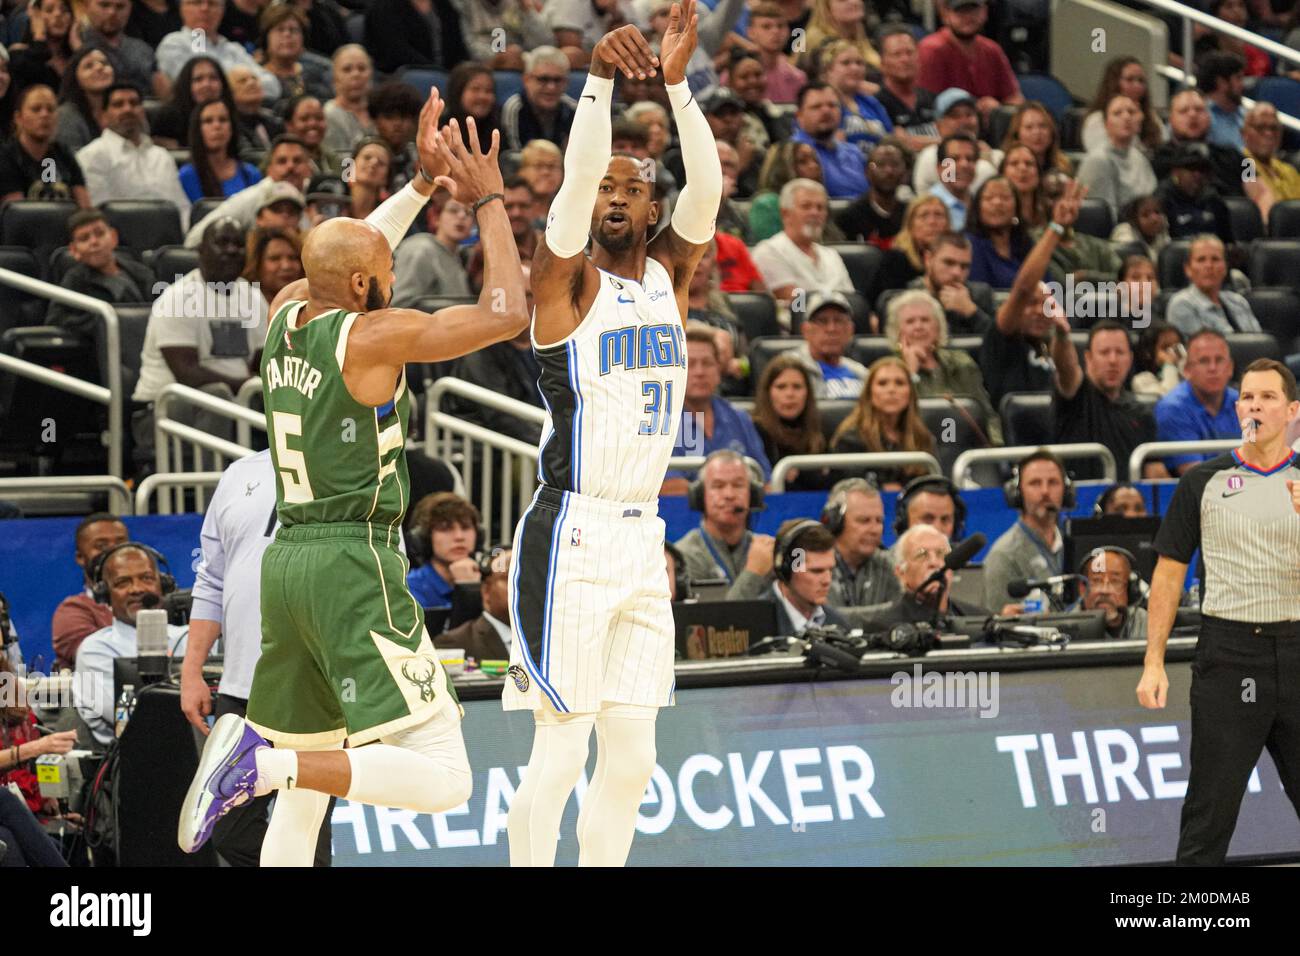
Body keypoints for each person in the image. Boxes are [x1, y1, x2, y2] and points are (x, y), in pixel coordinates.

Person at [176, 85, 527, 861]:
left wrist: (423, 182)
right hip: (352, 562)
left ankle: (275, 765)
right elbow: (506, 313)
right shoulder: (371, 336)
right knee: (446, 777)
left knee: (307, 801)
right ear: (369, 286)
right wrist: (489, 200)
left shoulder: (286, 314)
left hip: (288, 565)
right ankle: (259, 762)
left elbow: (346, 251)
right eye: (384, 271)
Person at [500, 9, 721, 869]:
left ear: (652, 207)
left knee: (632, 759)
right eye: (605, 189)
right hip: (572, 530)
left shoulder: (670, 274)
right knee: (557, 753)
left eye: (632, 188)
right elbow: (578, 173)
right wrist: (596, 81)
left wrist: (676, 85)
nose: (616, 196)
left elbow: (707, 189)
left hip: (642, 538)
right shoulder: (565, 280)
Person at [1137, 358, 1300, 865]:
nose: (1255, 405)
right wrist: (1153, 660)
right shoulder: (1204, 481)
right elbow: (1168, 574)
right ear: (1237, 409)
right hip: (1229, 657)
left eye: (1268, 397)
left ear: (1292, 410)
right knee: (1209, 812)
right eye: (1247, 397)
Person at [177, 450, 333, 867]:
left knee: (305, 831)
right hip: (241, 689)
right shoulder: (238, 473)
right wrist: (191, 671)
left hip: (317, 691)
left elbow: (381, 575)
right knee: (228, 832)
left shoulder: (356, 464)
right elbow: (211, 579)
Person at [978, 180, 1088, 408]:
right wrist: (1056, 227)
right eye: (1031, 305)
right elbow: (1023, 289)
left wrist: (1063, 334)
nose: (1040, 311)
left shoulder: (1057, 344)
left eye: (1046, 304)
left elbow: (1070, 386)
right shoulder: (1000, 339)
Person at [74, 544, 189, 746]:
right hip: (134, 761)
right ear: (105, 593)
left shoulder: (190, 638)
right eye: (122, 582)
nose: (137, 589)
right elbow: (132, 719)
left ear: (163, 584)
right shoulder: (95, 650)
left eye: (146, 578)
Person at [886, 289, 1002, 445]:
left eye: (925, 320)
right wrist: (910, 373)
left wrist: (996, 450)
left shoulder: (961, 362)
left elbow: (986, 414)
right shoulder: (889, 369)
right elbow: (893, 420)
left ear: (938, 328)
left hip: (965, 446)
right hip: (913, 449)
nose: (919, 326)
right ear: (897, 332)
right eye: (910, 321)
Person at [1055, 319, 1165, 481]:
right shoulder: (1077, 397)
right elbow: (1066, 368)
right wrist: (1062, 335)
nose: (1113, 360)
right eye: (1104, 352)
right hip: (1082, 501)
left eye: (1120, 352)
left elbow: (1154, 471)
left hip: (1128, 502)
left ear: (1130, 359)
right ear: (1088, 358)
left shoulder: (1142, 413)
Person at [668, 325, 772, 481]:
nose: (700, 372)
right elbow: (668, 488)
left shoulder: (740, 419)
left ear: (719, 368)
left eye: (707, 363)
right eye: (690, 364)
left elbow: (763, 481)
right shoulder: (661, 424)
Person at [76, 82, 190, 217]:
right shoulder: (91, 156)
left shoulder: (162, 156)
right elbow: (99, 213)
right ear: (103, 116)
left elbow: (182, 210)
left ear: (143, 111)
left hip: (167, 236)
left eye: (134, 103)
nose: (128, 109)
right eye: (118, 105)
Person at [854, 522, 993, 631]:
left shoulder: (981, 620)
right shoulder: (883, 626)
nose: (934, 563)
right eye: (922, 555)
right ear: (901, 573)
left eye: (941, 554)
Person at [983, 448, 1071, 611]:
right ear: (1017, 493)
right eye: (1035, 483)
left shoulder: (1073, 545)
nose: (1045, 491)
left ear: (1066, 491)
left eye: (1053, 482)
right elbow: (996, 624)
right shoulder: (1003, 555)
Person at [829, 355, 936, 490]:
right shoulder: (850, 439)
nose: (891, 390)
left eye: (900, 383)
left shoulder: (922, 437)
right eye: (882, 383)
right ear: (869, 393)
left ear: (910, 393)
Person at [184, 135, 313, 245]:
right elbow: (194, 239)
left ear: (309, 168)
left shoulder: (314, 197)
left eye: (297, 161)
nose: (290, 166)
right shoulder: (250, 198)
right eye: (281, 161)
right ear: (269, 169)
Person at [749, 177, 854, 313]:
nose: (815, 213)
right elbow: (797, 304)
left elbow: (852, 300)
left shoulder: (831, 255)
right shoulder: (769, 251)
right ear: (785, 213)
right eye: (806, 206)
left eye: (820, 207)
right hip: (798, 330)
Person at [673, 449, 771, 593]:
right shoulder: (684, 555)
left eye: (738, 485)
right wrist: (754, 572)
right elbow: (716, 615)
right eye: (718, 486)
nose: (729, 495)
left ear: (753, 494)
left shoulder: (765, 551)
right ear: (700, 496)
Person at [45, 208, 155, 334]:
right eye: (84, 238)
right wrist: (101, 323)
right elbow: (55, 321)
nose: (94, 242)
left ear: (114, 237)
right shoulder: (75, 280)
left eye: (99, 234)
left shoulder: (142, 273)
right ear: (74, 250)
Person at [916, 0, 1022, 121]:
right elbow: (927, 108)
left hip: (989, 129)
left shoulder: (992, 49)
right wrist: (974, 108)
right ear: (945, 14)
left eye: (973, 10)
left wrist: (1000, 108)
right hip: (949, 131)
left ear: (985, 12)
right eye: (960, 11)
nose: (968, 17)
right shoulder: (931, 50)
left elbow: (1015, 99)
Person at [156, 0, 281, 100]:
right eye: (196, 2)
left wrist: (237, 87)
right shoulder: (174, 44)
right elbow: (198, 89)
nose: (205, 9)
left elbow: (273, 86)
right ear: (182, 9)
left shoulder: (233, 48)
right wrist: (246, 84)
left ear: (222, 10)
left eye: (212, 3)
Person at [49, 512, 128, 670]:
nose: (114, 552)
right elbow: (98, 659)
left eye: (121, 543)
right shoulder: (73, 611)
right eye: (101, 546)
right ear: (80, 557)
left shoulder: (155, 602)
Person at [1155, 329, 1240, 475]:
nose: (1213, 368)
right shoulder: (1172, 409)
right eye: (1203, 361)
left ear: (1230, 367)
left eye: (1219, 360)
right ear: (1187, 369)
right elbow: (1196, 477)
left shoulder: (1244, 403)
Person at [751, 354, 833, 491]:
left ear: (808, 393)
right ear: (768, 392)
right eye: (781, 387)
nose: (790, 394)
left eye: (797, 387)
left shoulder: (823, 429)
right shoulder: (754, 431)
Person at [0, 84, 88, 205]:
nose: (44, 115)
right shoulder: (6, 157)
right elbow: (15, 214)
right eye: (36, 109)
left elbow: (85, 208)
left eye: (51, 109)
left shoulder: (63, 153)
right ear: (18, 118)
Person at [822, 477, 900, 609]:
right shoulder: (813, 566)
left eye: (879, 520)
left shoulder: (892, 566)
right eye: (864, 520)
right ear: (835, 522)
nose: (874, 529)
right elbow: (823, 618)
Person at [1075, 94, 1157, 219]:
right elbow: (1104, 217)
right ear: (1106, 124)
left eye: (1131, 112)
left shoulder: (1140, 158)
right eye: (1117, 113)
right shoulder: (1097, 160)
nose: (1126, 117)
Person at [763, 519, 850, 637]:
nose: (827, 580)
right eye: (816, 571)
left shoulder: (839, 625)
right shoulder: (754, 623)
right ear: (786, 570)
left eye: (830, 570)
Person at [1152, 90, 1244, 199]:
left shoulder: (1232, 154)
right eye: (1183, 111)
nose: (1193, 115)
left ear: (1209, 117)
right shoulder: (1158, 159)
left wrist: (1256, 186)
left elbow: (1252, 173)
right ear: (1171, 119)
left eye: (1199, 110)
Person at [406, 492, 486, 616]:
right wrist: (467, 591)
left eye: (465, 527)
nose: (459, 537)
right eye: (445, 528)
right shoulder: (409, 589)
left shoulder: (489, 584)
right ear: (424, 538)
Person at [911, 87, 999, 196]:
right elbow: (952, 191)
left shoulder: (996, 155)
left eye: (969, 114)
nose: (964, 121)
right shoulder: (931, 156)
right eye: (955, 116)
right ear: (938, 125)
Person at [1166, 234, 1260, 336]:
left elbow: (1259, 342)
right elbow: (1203, 350)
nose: (1209, 266)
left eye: (1215, 259)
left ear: (1225, 267)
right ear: (1188, 269)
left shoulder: (1238, 301)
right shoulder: (1182, 304)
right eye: (1201, 260)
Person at [869, 193, 950, 310]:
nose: (932, 222)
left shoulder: (958, 257)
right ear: (910, 224)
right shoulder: (895, 259)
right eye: (924, 216)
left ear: (948, 224)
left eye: (938, 215)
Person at [790, 81, 868, 199]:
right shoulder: (790, 154)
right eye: (816, 107)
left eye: (832, 105)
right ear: (799, 116)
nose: (826, 111)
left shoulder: (854, 152)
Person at [392, 190, 472, 306]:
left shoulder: (460, 256)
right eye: (453, 210)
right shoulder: (420, 250)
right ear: (436, 218)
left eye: (469, 213)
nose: (462, 216)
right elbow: (399, 305)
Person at [80, 0, 169, 100]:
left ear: (130, 9)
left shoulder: (141, 49)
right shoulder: (76, 44)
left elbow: (165, 94)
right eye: (104, 5)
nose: (112, 12)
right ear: (86, 6)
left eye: (120, 7)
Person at [436, 548, 512, 663]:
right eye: (510, 577)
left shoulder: (547, 640)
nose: (523, 585)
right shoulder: (452, 645)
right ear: (486, 590)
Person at [820, 40, 893, 158]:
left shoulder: (871, 102)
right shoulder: (823, 103)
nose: (854, 68)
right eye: (846, 63)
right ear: (828, 70)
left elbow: (891, 140)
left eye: (859, 63)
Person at [179, 99, 263, 200]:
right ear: (198, 130)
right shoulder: (186, 176)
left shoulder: (251, 174)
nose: (217, 126)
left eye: (223, 120)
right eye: (208, 121)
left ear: (231, 129)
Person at [873, 24, 938, 151]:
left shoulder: (932, 99)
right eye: (897, 54)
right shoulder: (877, 104)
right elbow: (899, 145)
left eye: (909, 52)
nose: (905, 59)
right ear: (882, 63)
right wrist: (940, 142)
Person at [1082, 56, 1164, 155]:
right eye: (1130, 80)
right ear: (1114, 83)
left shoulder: (1152, 117)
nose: (1137, 86)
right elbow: (1102, 155)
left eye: (1141, 80)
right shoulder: (1097, 119)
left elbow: (1162, 148)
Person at [793, 291, 867, 400]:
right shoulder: (790, 369)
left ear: (850, 330)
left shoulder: (862, 373)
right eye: (822, 321)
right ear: (806, 330)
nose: (831, 329)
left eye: (838, 321)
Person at [500, 46, 576, 152]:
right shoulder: (514, 108)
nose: (551, 87)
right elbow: (514, 159)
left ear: (566, 83)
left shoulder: (573, 109)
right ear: (526, 80)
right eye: (543, 79)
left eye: (558, 80)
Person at [748, 140, 825, 242]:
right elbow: (774, 248)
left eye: (815, 160)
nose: (814, 166)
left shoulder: (820, 202)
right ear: (782, 168)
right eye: (803, 161)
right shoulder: (767, 205)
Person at [255, 4, 333, 105]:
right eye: (280, 29)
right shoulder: (256, 77)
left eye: (293, 30)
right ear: (266, 38)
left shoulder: (320, 72)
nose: (287, 35)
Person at [835, 140, 907, 247]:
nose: (889, 171)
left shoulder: (910, 215)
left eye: (895, 164)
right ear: (867, 172)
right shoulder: (849, 217)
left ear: (905, 172)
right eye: (881, 164)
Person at [965, 175, 1032, 288]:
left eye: (1005, 198)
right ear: (977, 207)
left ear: (1017, 208)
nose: (997, 203)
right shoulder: (969, 244)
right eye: (989, 198)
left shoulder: (1026, 242)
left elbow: (1046, 284)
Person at [1241, 102, 1300, 222]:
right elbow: (1258, 199)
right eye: (1260, 127)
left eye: (1274, 128)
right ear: (1245, 133)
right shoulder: (1245, 164)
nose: (1268, 133)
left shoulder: (1289, 170)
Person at [1078, 546, 1148, 641]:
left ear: (1129, 589)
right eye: (1097, 580)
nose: (1105, 590)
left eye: (1115, 581)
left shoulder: (1144, 621)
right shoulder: (1066, 626)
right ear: (1082, 589)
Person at [54, 47, 115, 153]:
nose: (99, 67)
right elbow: (72, 163)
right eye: (89, 66)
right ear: (75, 77)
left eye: (104, 63)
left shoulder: (125, 108)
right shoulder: (66, 115)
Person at [744, 2, 806, 104]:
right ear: (751, 33)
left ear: (788, 31)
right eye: (766, 27)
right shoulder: (737, 75)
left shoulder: (798, 78)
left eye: (780, 26)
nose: (775, 31)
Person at [321, 45, 374, 155]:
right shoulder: (328, 115)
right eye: (347, 69)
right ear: (334, 77)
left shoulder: (381, 111)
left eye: (362, 68)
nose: (356, 74)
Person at [443, 62, 500, 154]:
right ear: (458, 93)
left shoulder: (497, 128)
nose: (483, 96)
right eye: (475, 89)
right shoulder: (441, 127)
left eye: (488, 91)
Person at [1000, 101, 1071, 176]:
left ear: (1052, 131)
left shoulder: (1063, 166)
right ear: (1017, 134)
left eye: (1043, 126)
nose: (1037, 132)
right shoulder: (1005, 167)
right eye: (1029, 127)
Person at [243, 226, 304, 308]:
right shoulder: (240, 304)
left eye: (293, 258)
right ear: (255, 264)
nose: (286, 266)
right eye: (275, 258)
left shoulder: (311, 306)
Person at [928, 132, 978, 230]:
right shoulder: (926, 208)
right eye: (954, 159)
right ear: (939, 168)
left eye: (970, 159)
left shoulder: (980, 203)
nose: (964, 165)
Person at [1198, 51, 1247, 152]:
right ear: (1222, 82)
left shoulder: (1246, 115)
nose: (1243, 85)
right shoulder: (1200, 117)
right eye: (1238, 78)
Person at [1130, 320, 1185, 398]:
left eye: (1176, 347)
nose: (1172, 353)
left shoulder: (1185, 372)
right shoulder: (1141, 381)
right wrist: (1169, 364)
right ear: (1148, 353)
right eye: (1165, 348)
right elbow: (1171, 399)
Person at [1111, 195, 1169, 262]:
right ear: (1134, 220)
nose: (1154, 219)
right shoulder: (1124, 234)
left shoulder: (1162, 231)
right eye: (1146, 215)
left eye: (1157, 212)